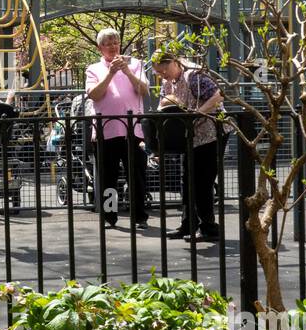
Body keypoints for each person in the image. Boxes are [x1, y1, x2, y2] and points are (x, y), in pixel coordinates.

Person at [153, 49, 224, 241]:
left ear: (174, 62)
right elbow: (163, 106)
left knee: (203, 182)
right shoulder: (168, 83)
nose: (162, 76)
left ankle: (209, 227)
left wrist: (198, 113)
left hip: (209, 134)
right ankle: (188, 224)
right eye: (158, 73)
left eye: (163, 70)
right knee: (187, 182)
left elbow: (218, 96)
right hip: (189, 138)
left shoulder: (193, 76)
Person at [84, 28, 150, 229]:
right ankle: (109, 216)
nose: (113, 47)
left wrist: (127, 71)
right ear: (100, 48)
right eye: (108, 43)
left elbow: (144, 90)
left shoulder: (136, 64)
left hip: (133, 130)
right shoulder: (93, 69)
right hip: (106, 130)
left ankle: (140, 216)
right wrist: (111, 73)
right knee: (108, 178)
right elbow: (95, 95)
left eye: (116, 42)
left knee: (137, 175)